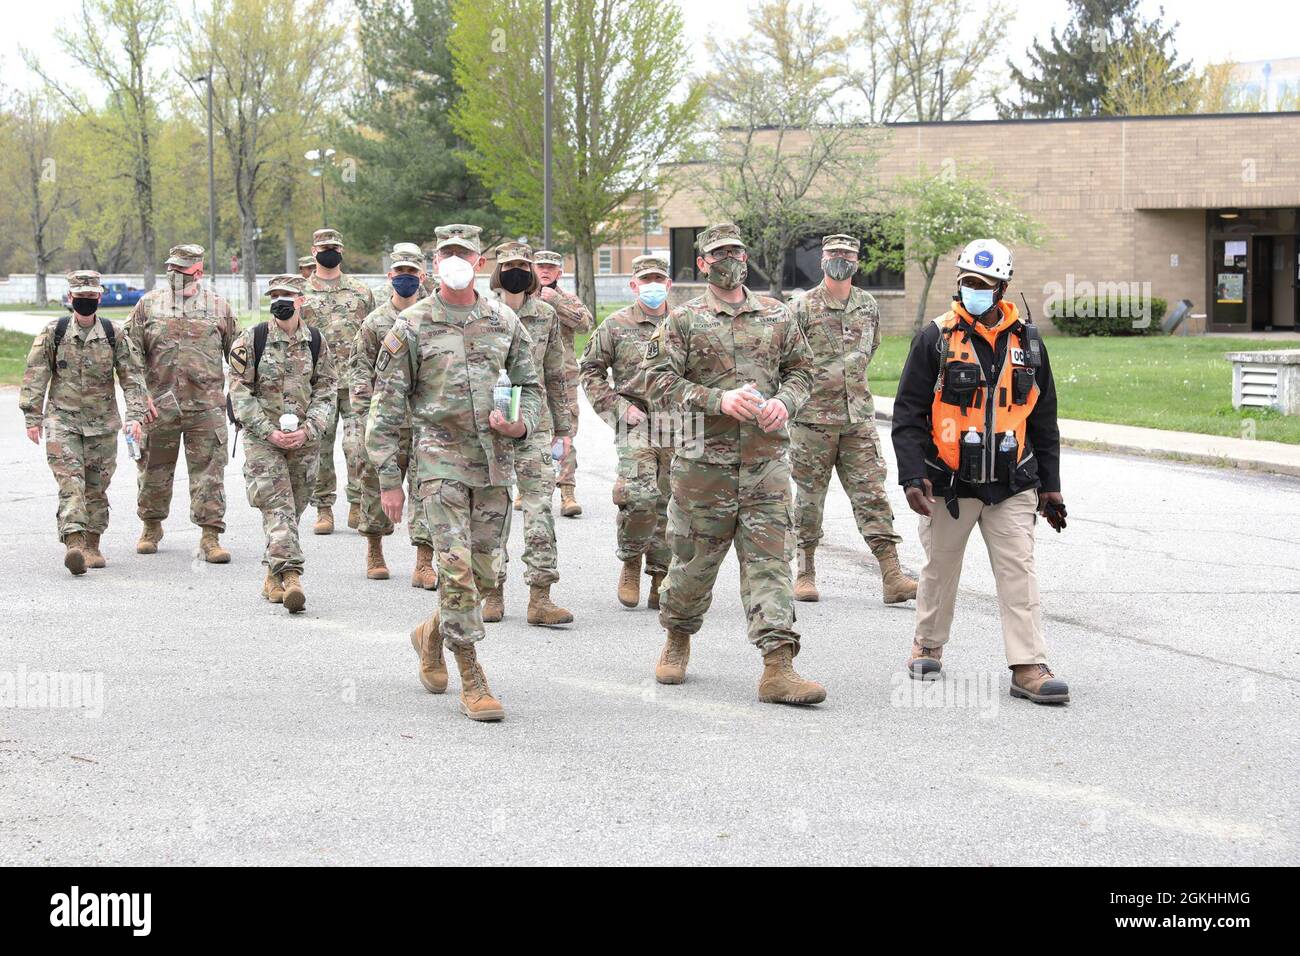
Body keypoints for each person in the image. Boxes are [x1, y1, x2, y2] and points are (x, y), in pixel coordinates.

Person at [623, 222, 825, 706]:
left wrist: (787, 403)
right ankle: (677, 637)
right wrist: (716, 400)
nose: (730, 260)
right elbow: (654, 380)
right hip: (701, 467)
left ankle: (778, 666)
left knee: (771, 565)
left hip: (765, 465)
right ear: (703, 264)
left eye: (736, 251)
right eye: (719, 254)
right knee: (693, 567)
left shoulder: (777, 316)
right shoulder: (685, 320)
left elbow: (803, 370)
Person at [366, 223, 543, 722]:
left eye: (464, 252)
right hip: (438, 464)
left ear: (480, 262)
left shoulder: (505, 322)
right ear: (432, 265)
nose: (455, 259)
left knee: (487, 573)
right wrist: (387, 478)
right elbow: (387, 405)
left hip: (494, 464)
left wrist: (520, 424)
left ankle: (430, 633)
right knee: (458, 571)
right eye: (446, 252)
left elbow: (531, 385)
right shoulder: (413, 325)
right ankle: (473, 675)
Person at [890, 238, 1069, 705]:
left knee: (1019, 571)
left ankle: (1028, 664)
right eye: (968, 282)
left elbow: (1043, 419)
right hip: (948, 482)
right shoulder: (936, 337)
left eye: (984, 284)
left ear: (1003, 287)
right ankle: (928, 644)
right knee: (939, 568)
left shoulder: (1028, 343)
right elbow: (908, 413)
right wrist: (912, 476)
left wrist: (1050, 486)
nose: (975, 290)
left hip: (1013, 482)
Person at [790, 234, 917, 605]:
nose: (840, 259)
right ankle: (805, 571)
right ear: (822, 259)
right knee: (809, 499)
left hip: (857, 418)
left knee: (872, 494)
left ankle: (892, 575)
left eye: (847, 254)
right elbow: (788, 359)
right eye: (834, 253)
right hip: (812, 420)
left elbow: (870, 349)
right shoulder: (802, 307)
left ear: (857, 261)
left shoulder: (868, 305)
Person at [19, 270, 147, 575]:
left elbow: (132, 378)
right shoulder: (55, 332)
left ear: (99, 298)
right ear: (70, 298)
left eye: (91, 298)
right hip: (62, 422)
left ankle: (93, 544)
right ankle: (74, 542)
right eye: (80, 298)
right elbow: (36, 374)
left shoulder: (114, 334)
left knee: (96, 488)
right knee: (71, 483)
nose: (86, 303)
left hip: (102, 426)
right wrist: (32, 415)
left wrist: (136, 416)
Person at [228, 275, 338, 613]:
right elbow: (238, 390)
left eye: (287, 295)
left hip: (304, 442)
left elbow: (327, 388)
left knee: (295, 507)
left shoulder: (316, 341)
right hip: (264, 441)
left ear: (301, 299)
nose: (280, 300)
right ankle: (292, 576)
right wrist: (267, 430)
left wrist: (309, 429)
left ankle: (271, 575)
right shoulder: (252, 339)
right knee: (277, 506)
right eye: (274, 295)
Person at [124, 243, 237, 562]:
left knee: (210, 474)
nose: (172, 275)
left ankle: (210, 535)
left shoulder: (218, 307)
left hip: (206, 408)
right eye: (170, 269)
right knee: (152, 472)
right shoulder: (148, 306)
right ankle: (151, 526)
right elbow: (127, 355)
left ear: (197, 272)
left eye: (180, 270)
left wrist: (238, 397)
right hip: (159, 407)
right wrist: (138, 398)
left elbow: (241, 357)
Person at [483, 241, 575, 626]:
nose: (518, 271)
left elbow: (555, 373)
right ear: (498, 272)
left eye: (524, 265)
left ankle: (541, 596)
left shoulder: (546, 315)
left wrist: (565, 428)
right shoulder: (483, 313)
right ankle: (492, 592)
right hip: (491, 425)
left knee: (539, 508)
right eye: (510, 265)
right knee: (492, 510)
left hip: (535, 425)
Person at [579, 253, 674, 609]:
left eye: (658, 279)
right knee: (640, 494)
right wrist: (618, 408)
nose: (652, 286)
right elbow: (590, 370)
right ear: (634, 285)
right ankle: (632, 560)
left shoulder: (687, 322)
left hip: (683, 424)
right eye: (644, 280)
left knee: (673, 502)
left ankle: (661, 575)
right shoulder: (615, 325)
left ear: (668, 284)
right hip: (638, 423)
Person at [350, 244, 436, 588]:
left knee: (428, 491)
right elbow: (359, 370)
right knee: (374, 487)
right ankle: (375, 550)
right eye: (399, 272)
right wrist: (365, 416)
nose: (405, 278)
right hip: (386, 422)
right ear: (390, 276)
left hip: (427, 423)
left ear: (422, 276)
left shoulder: (433, 316)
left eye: (411, 273)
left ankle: (424, 561)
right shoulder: (375, 322)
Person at [300, 227, 377, 535]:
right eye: (323, 247)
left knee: (358, 446)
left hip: (356, 382)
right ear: (314, 251)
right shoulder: (301, 293)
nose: (329, 251)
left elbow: (374, 335)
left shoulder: (360, 291)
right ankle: (323, 508)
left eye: (334, 247)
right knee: (319, 448)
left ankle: (358, 504)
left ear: (341, 252)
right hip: (318, 384)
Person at [533, 249, 593, 518]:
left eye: (551, 267)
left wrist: (557, 302)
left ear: (560, 272)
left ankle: (567, 491)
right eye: (540, 267)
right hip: (531, 378)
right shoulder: (522, 296)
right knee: (529, 433)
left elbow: (585, 325)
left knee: (564, 433)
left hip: (563, 378)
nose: (545, 271)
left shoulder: (567, 299)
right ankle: (528, 489)